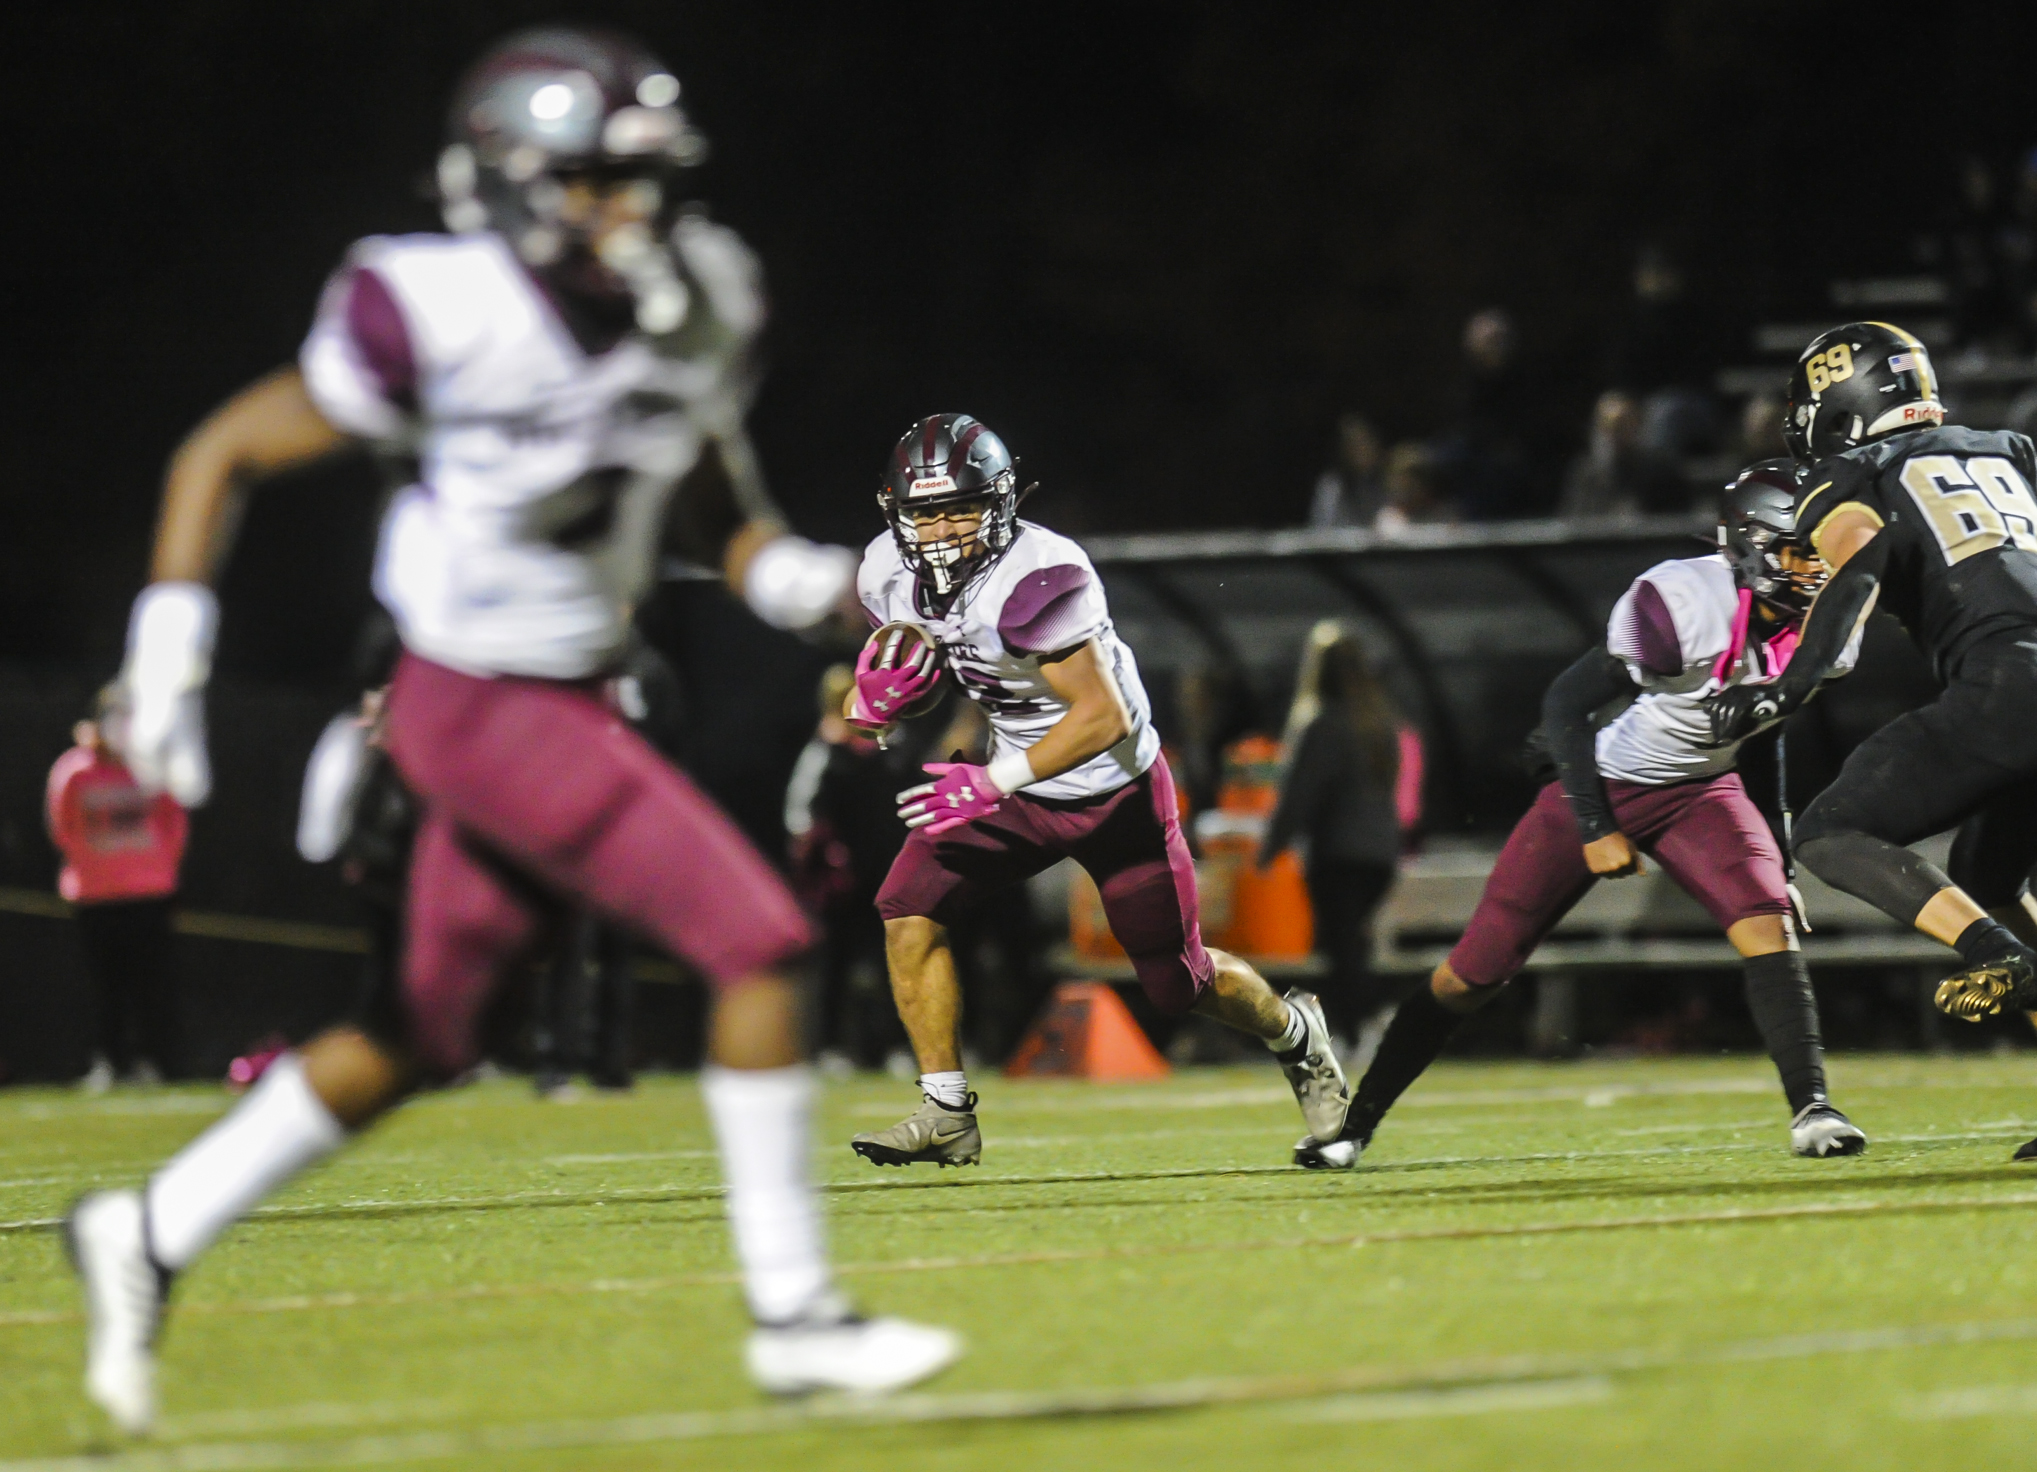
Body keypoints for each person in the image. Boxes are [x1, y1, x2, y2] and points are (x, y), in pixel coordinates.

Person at [64, 28, 958, 1436]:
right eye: (601, 183)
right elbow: (221, 451)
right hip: (475, 697)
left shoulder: (701, 295)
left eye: (644, 182)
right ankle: (795, 1316)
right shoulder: (429, 302)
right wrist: (169, 660)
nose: (634, 213)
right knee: (763, 944)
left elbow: (706, 483)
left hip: (574, 688)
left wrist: (787, 576)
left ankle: (148, 1227)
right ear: (511, 182)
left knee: (425, 1027)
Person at [1298, 462, 1869, 1169]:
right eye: (1799, 549)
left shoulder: (1828, 627)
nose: (1815, 568)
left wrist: (1777, 848)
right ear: (1749, 545)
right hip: (1603, 784)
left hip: (1704, 791)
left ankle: (1813, 1109)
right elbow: (1566, 704)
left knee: (1766, 925)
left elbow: (1765, 727)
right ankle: (1353, 1124)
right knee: (1473, 971)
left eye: (1821, 550)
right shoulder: (1684, 601)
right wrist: (1597, 826)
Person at [842, 413, 1351, 1167]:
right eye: (925, 513)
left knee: (1178, 984)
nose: (942, 530)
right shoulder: (885, 569)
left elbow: (1100, 716)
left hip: (1112, 793)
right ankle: (946, 1111)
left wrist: (991, 780)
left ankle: (1294, 1034)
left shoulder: (1041, 574)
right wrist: (880, 705)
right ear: (895, 511)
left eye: (960, 509)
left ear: (1002, 503)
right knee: (906, 910)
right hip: (1012, 782)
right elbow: (938, 654)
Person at [1703, 324, 2037, 1162]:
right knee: (1986, 873)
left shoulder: (1850, 474)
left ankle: (2000, 957)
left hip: (2010, 681)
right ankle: (2002, 943)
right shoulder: (2010, 449)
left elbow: (1861, 561)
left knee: (1829, 830)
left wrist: (1788, 684)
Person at [1261, 628, 1420, 1056]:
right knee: (1355, 943)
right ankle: (1364, 1023)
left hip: (1338, 852)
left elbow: (1300, 795)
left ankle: (1361, 1026)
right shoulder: (1383, 720)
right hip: (1381, 854)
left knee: (1341, 947)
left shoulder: (1324, 724)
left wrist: (1269, 849)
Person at [46, 700, 188, 1087]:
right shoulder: (73, 770)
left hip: (148, 895)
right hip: (94, 897)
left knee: (150, 984)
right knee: (103, 986)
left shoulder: (153, 768)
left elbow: (174, 822)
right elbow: (63, 827)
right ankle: (108, 1063)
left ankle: (149, 1063)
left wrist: (156, 870)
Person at [1308, 412, 1386, 528]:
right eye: (1354, 445)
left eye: (1365, 442)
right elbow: (1322, 528)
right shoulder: (1331, 486)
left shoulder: (1389, 480)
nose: (1361, 450)